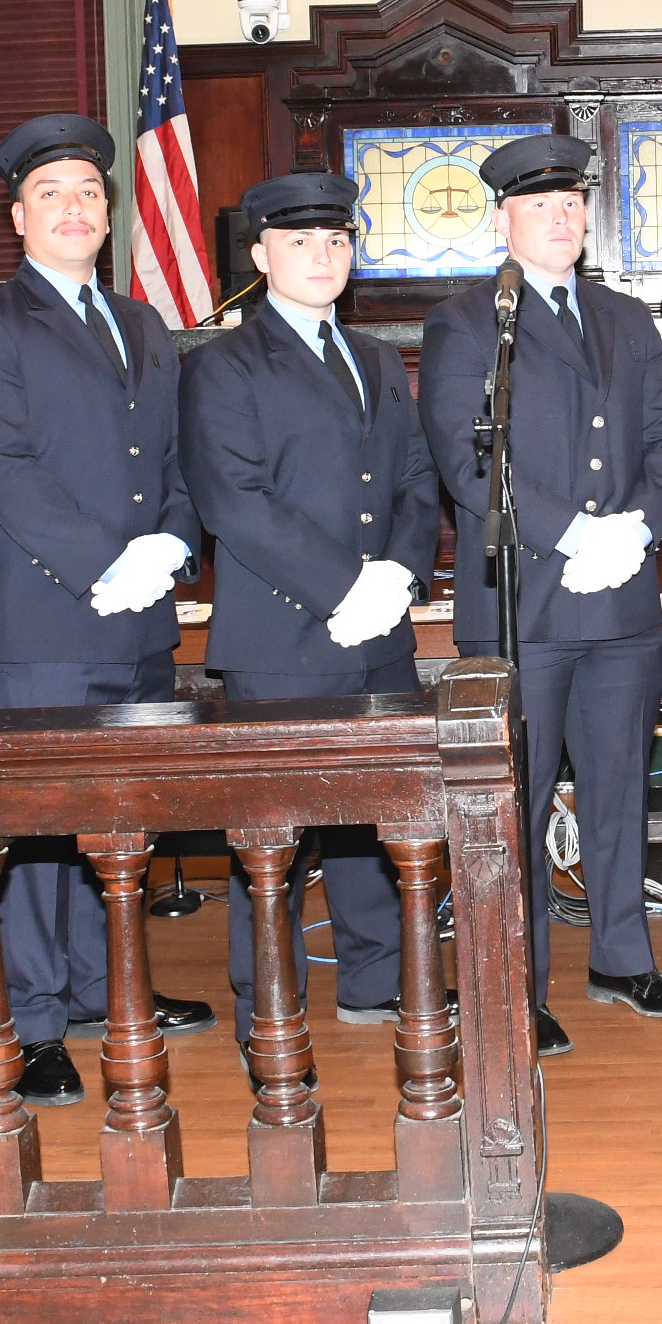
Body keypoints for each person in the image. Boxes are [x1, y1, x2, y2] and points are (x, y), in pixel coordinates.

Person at [0, 113, 215, 1108]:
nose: (76, 208)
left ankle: (105, 988)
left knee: (119, 822)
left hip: (138, 618)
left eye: (90, 194)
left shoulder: (140, 323)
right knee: (45, 832)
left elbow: (177, 458)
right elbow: (1, 468)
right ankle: (39, 1020)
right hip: (47, 615)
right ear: (18, 217)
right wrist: (108, 564)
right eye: (53, 194)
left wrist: (173, 545)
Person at [417, 132, 662, 1056]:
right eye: (542, 207)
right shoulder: (467, 322)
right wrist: (573, 530)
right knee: (519, 803)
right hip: (526, 603)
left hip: (617, 602)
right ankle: (516, 986)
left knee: (619, 792)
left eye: (573, 204)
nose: (563, 219)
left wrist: (634, 530)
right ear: (503, 221)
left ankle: (622, 957)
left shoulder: (624, 318)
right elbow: (470, 456)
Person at [180, 171, 439, 1061]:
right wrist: (344, 588)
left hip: (380, 630)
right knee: (273, 830)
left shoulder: (372, 358)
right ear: (260, 256)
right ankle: (270, 997)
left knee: (378, 817)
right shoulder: (222, 362)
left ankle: (374, 978)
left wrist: (396, 577)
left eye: (337, 242)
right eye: (300, 243)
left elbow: (414, 480)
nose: (322, 258)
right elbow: (234, 501)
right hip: (284, 634)